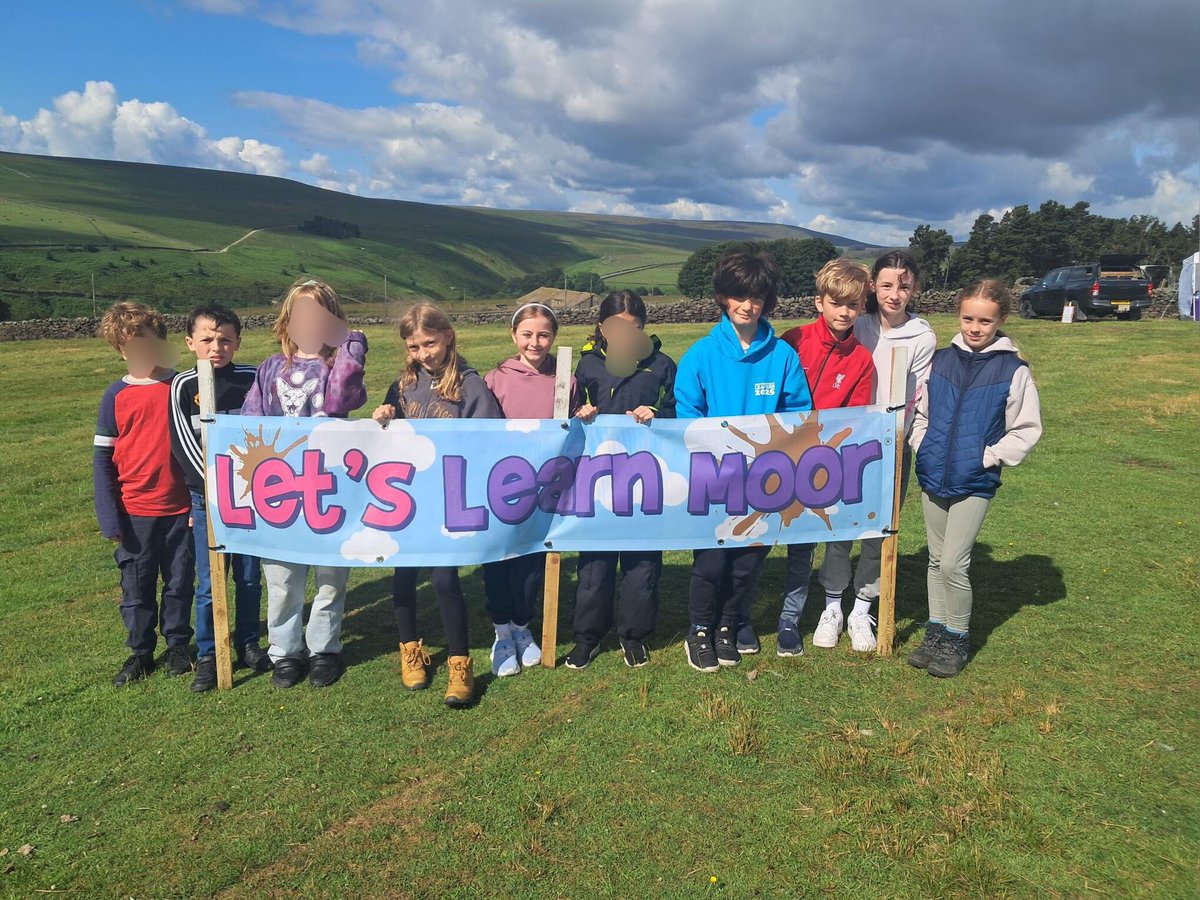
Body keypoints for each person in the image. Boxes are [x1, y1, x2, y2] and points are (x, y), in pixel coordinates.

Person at [674, 249, 813, 672]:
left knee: (748, 560)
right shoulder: (700, 354)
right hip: (714, 478)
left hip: (764, 480)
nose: (747, 305)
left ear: (767, 300)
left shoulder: (783, 357)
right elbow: (686, 412)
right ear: (723, 297)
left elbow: (798, 412)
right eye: (738, 295)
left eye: (756, 296)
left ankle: (727, 626)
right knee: (712, 560)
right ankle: (699, 629)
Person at [909, 279, 1042, 677]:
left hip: (975, 480)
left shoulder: (1012, 370)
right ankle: (935, 631)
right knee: (935, 560)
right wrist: (923, 444)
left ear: (1001, 319)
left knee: (953, 563)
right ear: (959, 315)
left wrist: (989, 456)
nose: (975, 327)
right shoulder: (941, 361)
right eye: (968, 318)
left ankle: (957, 637)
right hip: (934, 474)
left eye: (985, 320)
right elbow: (921, 415)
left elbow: (1026, 429)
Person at [241, 279, 368, 689]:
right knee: (281, 578)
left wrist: (350, 343)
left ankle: (324, 648)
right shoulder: (270, 368)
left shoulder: (338, 365)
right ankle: (285, 652)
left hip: (330, 487)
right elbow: (249, 422)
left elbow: (338, 401)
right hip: (279, 489)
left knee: (331, 575)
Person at [373, 303, 501, 707]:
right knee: (403, 577)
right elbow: (384, 429)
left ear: (447, 335)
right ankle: (410, 650)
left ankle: (460, 665)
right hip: (408, 499)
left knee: (445, 579)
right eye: (413, 346)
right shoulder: (403, 383)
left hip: (450, 498)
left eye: (429, 343)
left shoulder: (471, 385)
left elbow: (492, 442)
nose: (423, 353)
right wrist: (383, 413)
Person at [815, 250, 936, 653]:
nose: (895, 293)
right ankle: (832, 604)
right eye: (886, 284)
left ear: (914, 288)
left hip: (893, 445)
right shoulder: (858, 322)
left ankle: (862, 607)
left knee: (878, 531)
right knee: (838, 527)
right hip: (848, 445)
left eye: (904, 285)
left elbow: (919, 398)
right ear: (872, 287)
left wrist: (911, 442)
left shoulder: (922, 335)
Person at [567, 290, 676, 669]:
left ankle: (633, 636)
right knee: (594, 564)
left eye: (634, 329)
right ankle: (587, 637)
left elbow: (679, 411)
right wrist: (579, 411)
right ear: (601, 328)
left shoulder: (662, 365)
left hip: (645, 481)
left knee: (642, 562)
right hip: (595, 482)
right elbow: (563, 419)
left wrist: (658, 412)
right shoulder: (585, 367)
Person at [93, 301, 195, 686]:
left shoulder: (181, 388)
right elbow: (102, 460)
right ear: (119, 350)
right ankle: (139, 652)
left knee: (180, 581)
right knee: (136, 588)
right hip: (134, 513)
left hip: (181, 509)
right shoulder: (114, 396)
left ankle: (178, 646)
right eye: (130, 347)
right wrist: (109, 516)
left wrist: (197, 503)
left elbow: (200, 448)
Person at [169, 304, 269, 692]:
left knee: (247, 577)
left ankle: (248, 644)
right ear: (190, 342)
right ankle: (210, 653)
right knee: (210, 582)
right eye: (207, 339)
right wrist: (214, 490)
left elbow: (265, 434)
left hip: (250, 497)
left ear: (238, 342)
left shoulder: (253, 378)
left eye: (225, 339)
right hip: (206, 498)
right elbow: (183, 445)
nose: (217, 347)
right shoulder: (183, 386)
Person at [777, 259, 875, 655]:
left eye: (853, 305)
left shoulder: (861, 360)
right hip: (776, 456)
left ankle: (791, 618)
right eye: (837, 303)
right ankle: (743, 615)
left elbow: (855, 418)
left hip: (822, 463)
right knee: (759, 537)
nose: (844, 312)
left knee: (805, 541)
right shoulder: (793, 339)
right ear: (820, 302)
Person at [482, 301, 578, 676]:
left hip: (545, 488)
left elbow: (572, 429)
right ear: (513, 336)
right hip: (501, 486)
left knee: (532, 560)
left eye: (543, 334)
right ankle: (501, 632)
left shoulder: (566, 378)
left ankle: (523, 627)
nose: (535, 342)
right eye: (527, 334)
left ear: (553, 337)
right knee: (499, 559)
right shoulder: (495, 379)